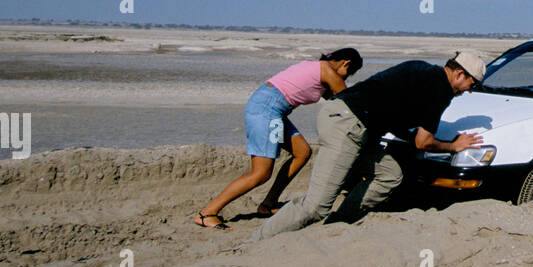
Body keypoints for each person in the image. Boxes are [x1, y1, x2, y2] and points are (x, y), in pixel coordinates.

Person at [251, 50, 486, 241]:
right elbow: (423, 142)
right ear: (459, 75)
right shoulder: (440, 90)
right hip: (347, 125)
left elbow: (393, 109)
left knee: (390, 174)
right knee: (316, 206)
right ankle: (256, 242)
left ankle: (336, 225)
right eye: (472, 85)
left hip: (346, 119)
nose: (470, 91)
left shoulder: (418, 67)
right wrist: (454, 146)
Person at [193, 49, 362, 230]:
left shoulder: (317, 68)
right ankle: (207, 213)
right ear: (345, 63)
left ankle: (268, 204)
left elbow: (333, 97)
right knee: (261, 173)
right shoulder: (327, 70)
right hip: (267, 109)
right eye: (350, 73)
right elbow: (348, 101)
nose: (347, 78)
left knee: (302, 152)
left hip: (271, 108)